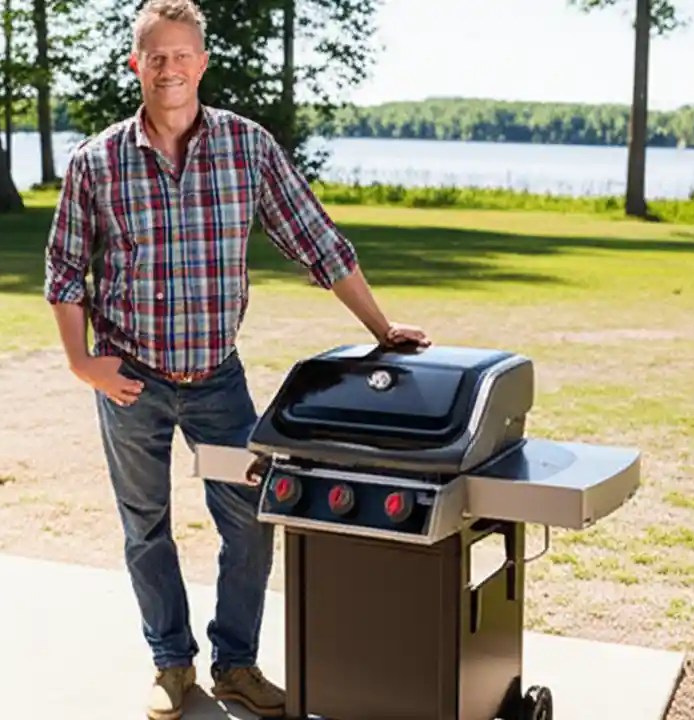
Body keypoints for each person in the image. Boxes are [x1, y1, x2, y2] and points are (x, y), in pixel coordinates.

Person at [43, 1, 430, 717]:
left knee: (251, 519)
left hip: (218, 380)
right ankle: (170, 665)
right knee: (145, 526)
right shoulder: (95, 162)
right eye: (155, 56)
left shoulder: (247, 148)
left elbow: (316, 240)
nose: (169, 68)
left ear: (202, 62)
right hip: (131, 382)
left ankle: (237, 665)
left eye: (182, 54)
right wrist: (82, 363)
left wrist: (381, 326)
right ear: (136, 64)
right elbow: (65, 271)